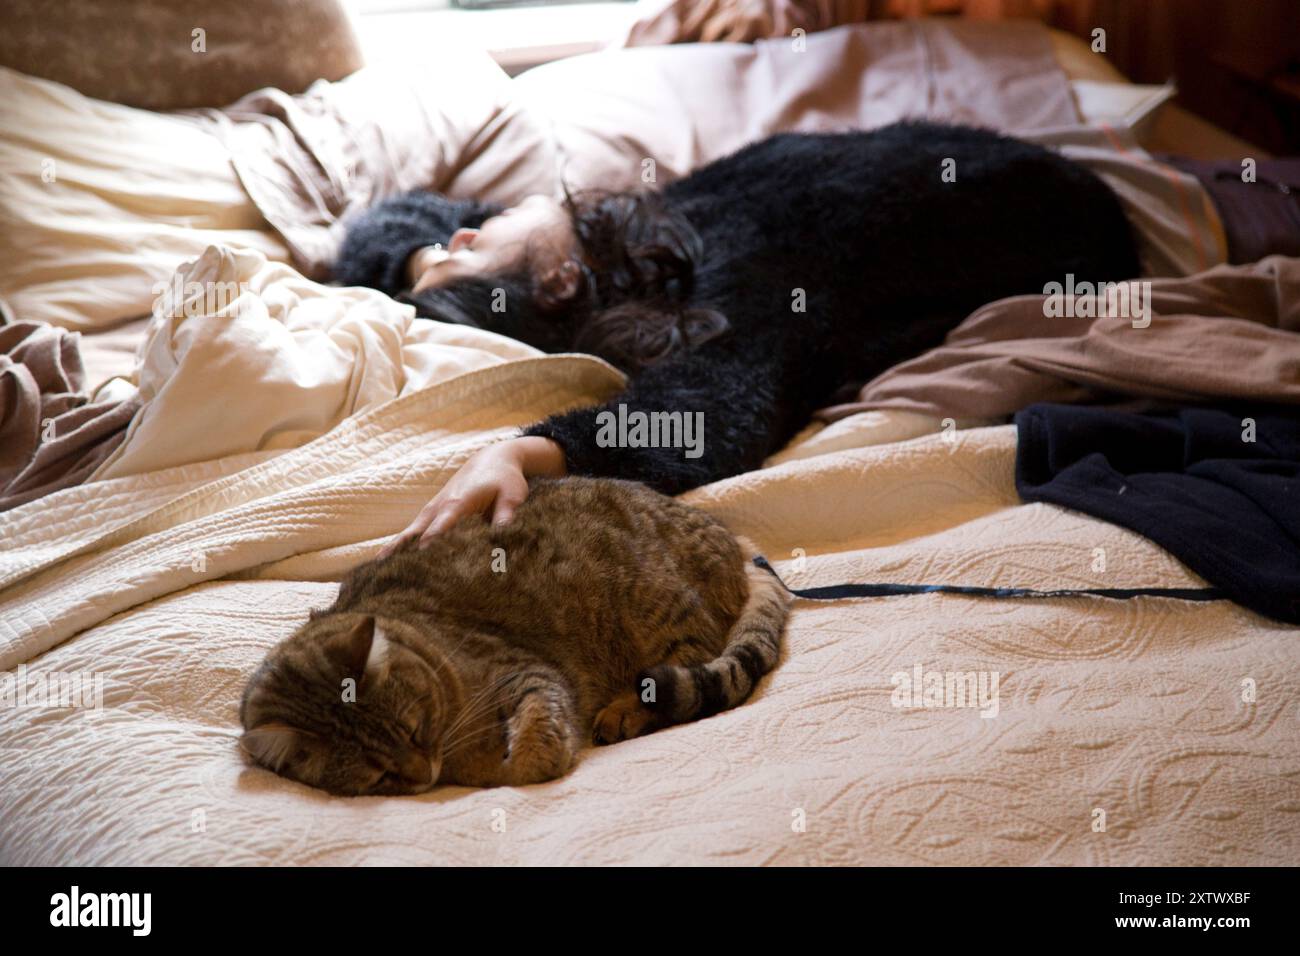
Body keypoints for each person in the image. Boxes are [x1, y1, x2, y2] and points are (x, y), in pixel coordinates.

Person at [333, 121, 1140, 553]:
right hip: (1062, 223)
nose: (462, 232)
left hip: (1004, 172)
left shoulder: (646, 242)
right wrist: (529, 452)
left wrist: (417, 259)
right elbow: (712, 411)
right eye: (462, 252)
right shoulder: (735, 292)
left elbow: (397, 222)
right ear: (554, 282)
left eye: (457, 244)